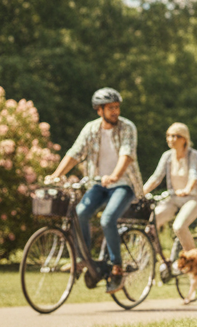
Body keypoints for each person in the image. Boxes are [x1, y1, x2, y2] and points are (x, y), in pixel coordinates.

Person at [49, 88, 142, 294]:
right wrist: (57, 175)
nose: (115, 111)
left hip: (123, 185)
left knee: (107, 219)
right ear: (99, 110)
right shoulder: (91, 129)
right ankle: (85, 260)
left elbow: (127, 155)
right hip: (98, 184)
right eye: (111, 108)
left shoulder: (127, 127)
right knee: (80, 213)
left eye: (117, 107)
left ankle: (117, 268)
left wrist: (116, 176)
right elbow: (74, 153)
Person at [142, 122, 197, 272]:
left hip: (193, 199)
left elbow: (194, 176)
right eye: (169, 135)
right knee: (151, 223)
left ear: (184, 139)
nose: (171, 139)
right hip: (173, 199)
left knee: (179, 226)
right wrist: (140, 192)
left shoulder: (193, 155)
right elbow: (156, 178)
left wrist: (186, 189)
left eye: (176, 136)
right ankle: (147, 258)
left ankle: (194, 261)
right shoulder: (167, 156)